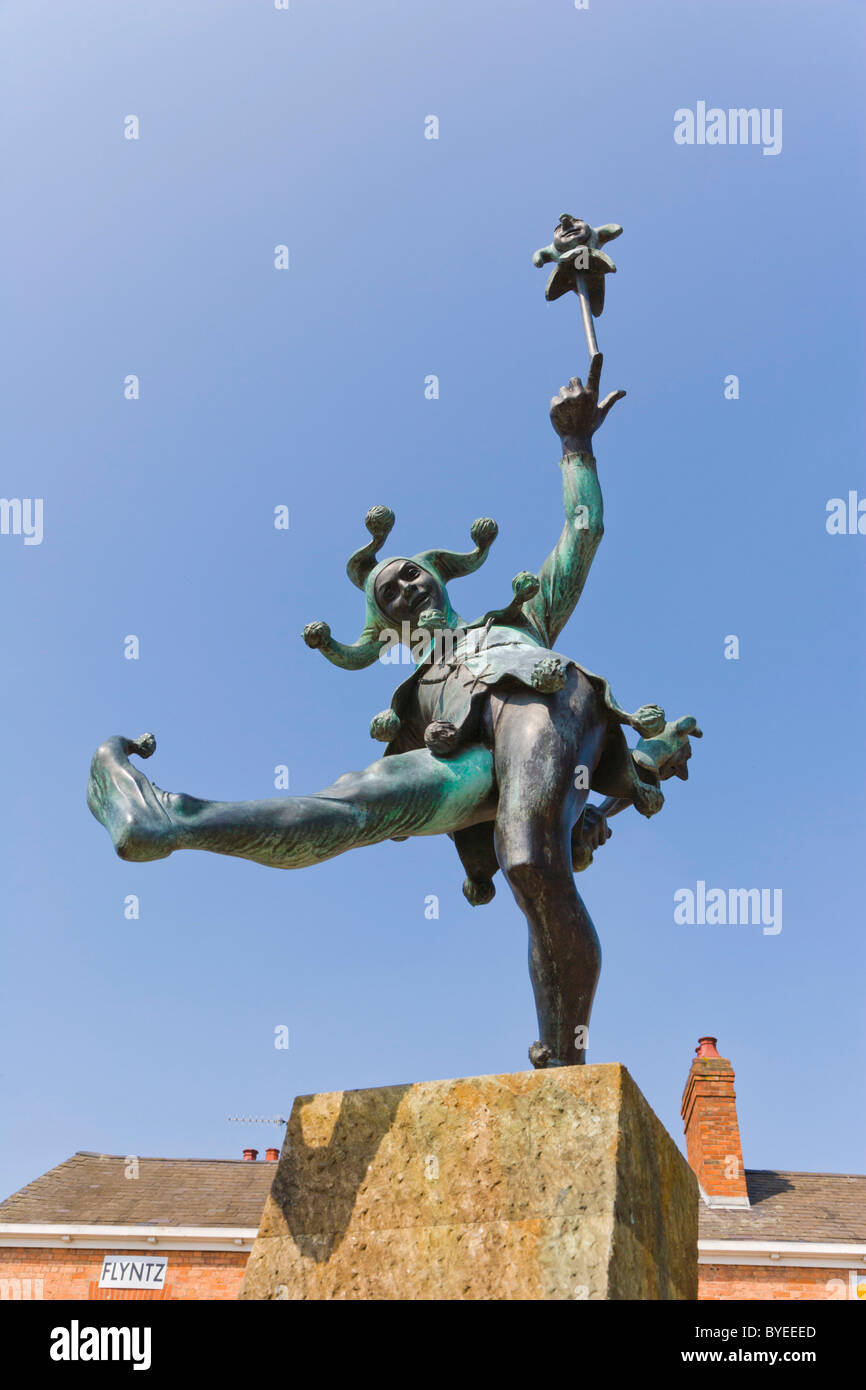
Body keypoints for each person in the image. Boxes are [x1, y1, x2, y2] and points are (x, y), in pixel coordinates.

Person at [88, 354, 699, 1066]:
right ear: (389, 628)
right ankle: (172, 819)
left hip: (540, 703)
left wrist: (575, 445)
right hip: (465, 757)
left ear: (438, 578)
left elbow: (584, 532)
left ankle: (565, 1054)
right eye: (387, 594)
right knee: (355, 805)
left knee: (529, 860)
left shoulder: (522, 616)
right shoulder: (412, 703)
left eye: (409, 573)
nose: (403, 587)